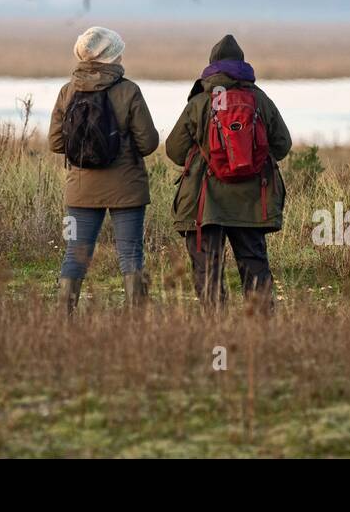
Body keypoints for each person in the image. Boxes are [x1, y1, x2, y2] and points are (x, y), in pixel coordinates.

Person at [165, 34, 291, 312]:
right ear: (242, 65)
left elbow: (174, 150)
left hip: (205, 203)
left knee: (207, 268)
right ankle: (262, 329)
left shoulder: (200, 101)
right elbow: (283, 145)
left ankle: (215, 325)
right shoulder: (259, 99)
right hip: (251, 202)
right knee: (254, 263)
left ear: (212, 66)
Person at [48, 26, 159, 313]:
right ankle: (138, 324)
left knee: (75, 255)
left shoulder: (67, 91)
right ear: (111, 56)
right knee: (131, 255)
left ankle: (63, 319)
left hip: (80, 189)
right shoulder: (129, 91)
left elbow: (56, 143)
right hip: (127, 188)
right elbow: (148, 143)